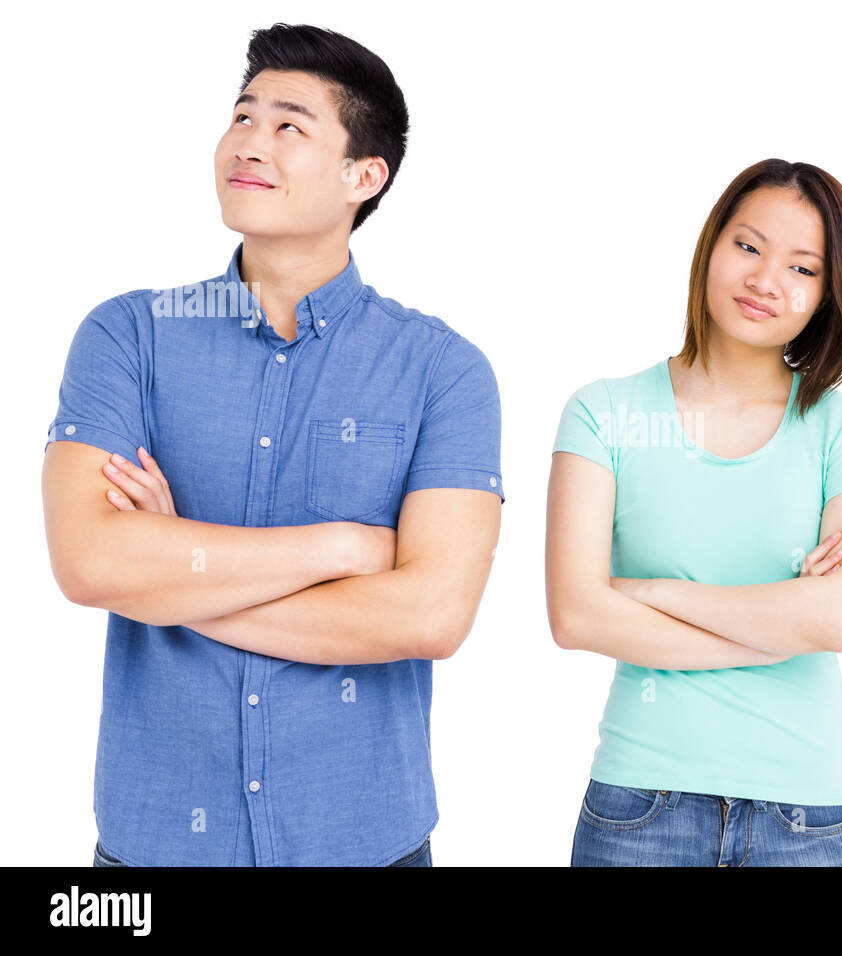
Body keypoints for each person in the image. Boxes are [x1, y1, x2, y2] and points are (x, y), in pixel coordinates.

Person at [41, 23, 504, 866]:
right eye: (242, 116)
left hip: (366, 844)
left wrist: (172, 576)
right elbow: (90, 564)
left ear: (365, 176)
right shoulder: (128, 336)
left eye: (289, 125)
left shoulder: (443, 370)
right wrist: (343, 549)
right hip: (155, 849)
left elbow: (431, 615)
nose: (249, 142)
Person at [547, 159, 842, 866]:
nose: (766, 280)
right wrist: (776, 629)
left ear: (829, 293)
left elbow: (834, 620)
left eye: (802, 268)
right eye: (748, 246)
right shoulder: (603, 413)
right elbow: (576, 616)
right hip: (639, 807)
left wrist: (651, 593)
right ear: (712, 245)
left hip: (808, 815)